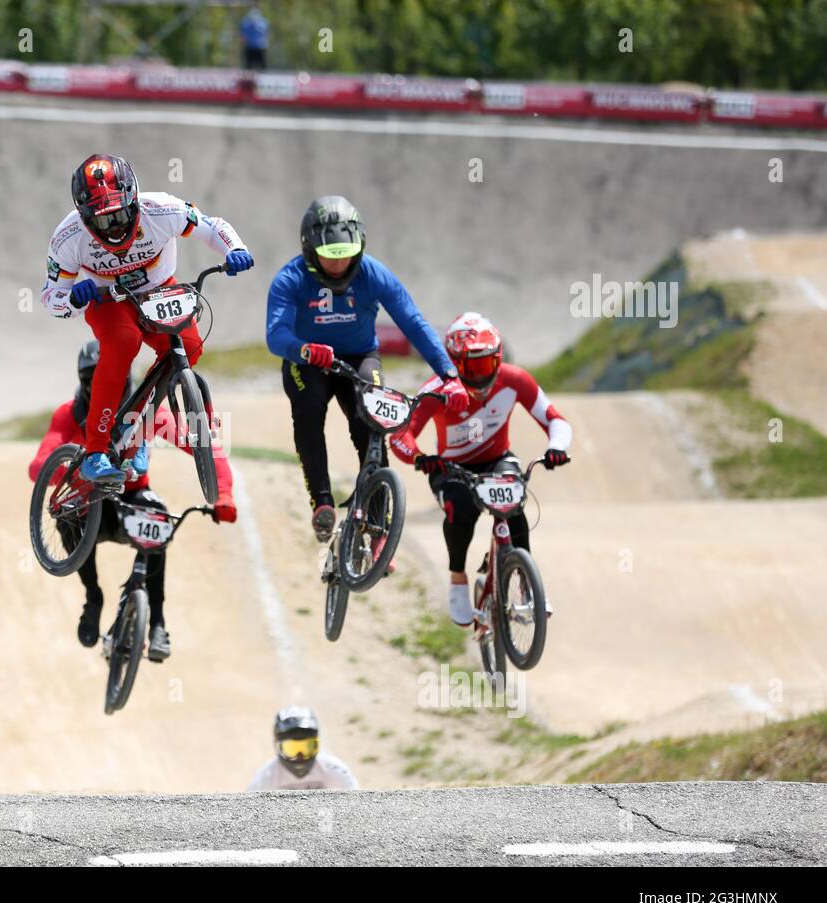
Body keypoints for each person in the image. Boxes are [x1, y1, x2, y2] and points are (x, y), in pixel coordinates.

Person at [40, 153, 254, 485]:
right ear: (83, 216)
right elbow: (51, 298)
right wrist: (74, 299)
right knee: (123, 341)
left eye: (121, 215)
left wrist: (234, 250)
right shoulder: (68, 237)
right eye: (102, 221)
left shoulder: (163, 209)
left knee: (190, 348)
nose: (113, 228)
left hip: (158, 289)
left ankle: (137, 431)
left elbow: (213, 227)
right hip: (106, 299)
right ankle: (95, 452)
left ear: (135, 199)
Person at [265, 196, 469, 541]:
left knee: (372, 424)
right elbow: (275, 335)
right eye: (330, 257)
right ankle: (322, 502)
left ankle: (378, 525)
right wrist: (303, 349)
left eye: (345, 254)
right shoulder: (290, 279)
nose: (339, 264)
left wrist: (450, 375)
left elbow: (413, 322)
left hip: (360, 357)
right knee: (309, 411)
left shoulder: (374, 273)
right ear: (311, 249)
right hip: (309, 360)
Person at [29, 342, 238, 662]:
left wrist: (223, 492)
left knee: (158, 518)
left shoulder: (150, 415)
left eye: (108, 378)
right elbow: (38, 466)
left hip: (133, 496)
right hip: (92, 504)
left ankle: (157, 623)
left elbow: (206, 448)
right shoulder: (69, 414)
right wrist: (76, 470)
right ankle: (93, 597)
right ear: (82, 381)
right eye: (92, 380)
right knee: (66, 514)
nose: (101, 386)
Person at [390, 312, 572, 626]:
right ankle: (457, 577)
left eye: (486, 365)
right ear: (453, 362)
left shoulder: (516, 380)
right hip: (451, 467)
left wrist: (556, 447)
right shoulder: (437, 387)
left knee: (514, 507)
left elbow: (555, 419)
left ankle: (528, 583)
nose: (478, 377)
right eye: (469, 368)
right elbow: (400, 435)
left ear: (498, 359)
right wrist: (421, 457)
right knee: (460, 509)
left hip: (498, 459)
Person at [247, 706, 358, 791]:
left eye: (307, 747)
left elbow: (356, 802)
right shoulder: (265, 778)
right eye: (292, 748)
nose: (300, 755)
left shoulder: (335, 769)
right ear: (278, 746)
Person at [240, 4, 270, 71]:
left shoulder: (263, 22)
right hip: (250, 47)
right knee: (248, 67)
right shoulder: (246, 22)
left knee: (262, 67)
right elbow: (243, 36)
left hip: (260, 48)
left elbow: (266, 34)